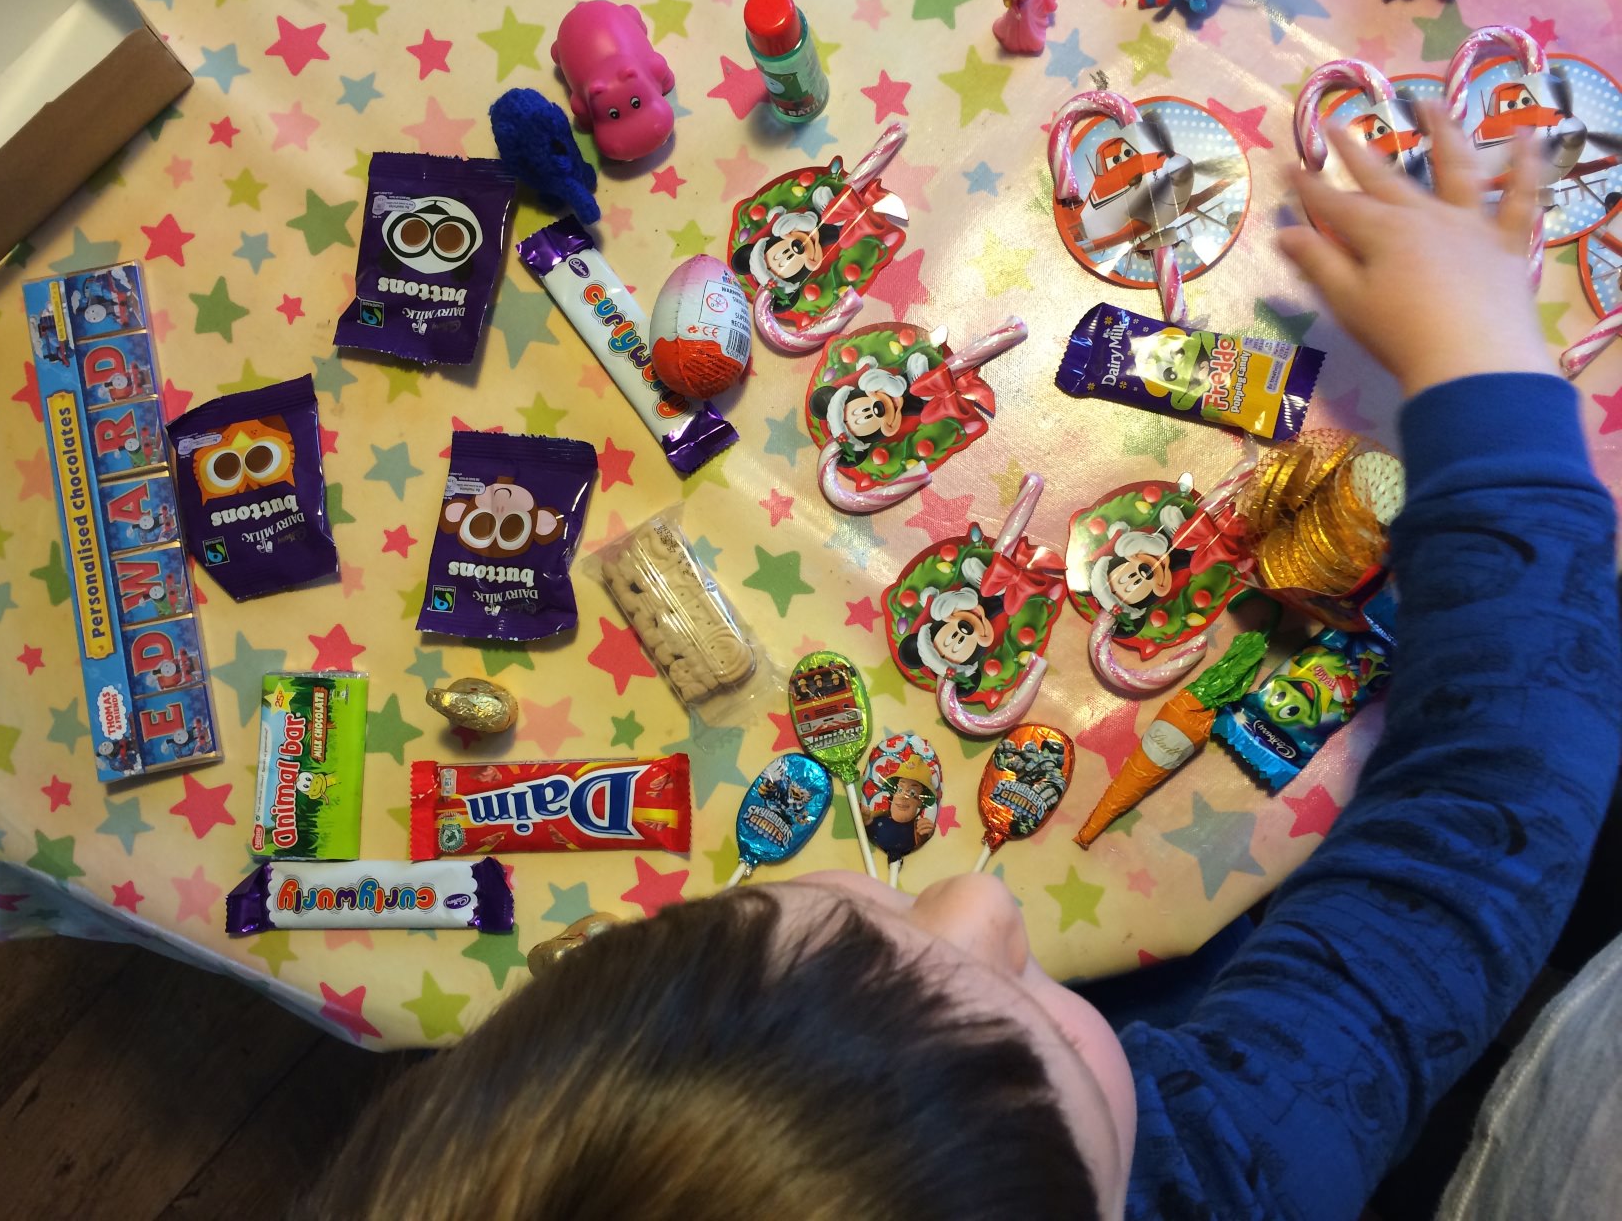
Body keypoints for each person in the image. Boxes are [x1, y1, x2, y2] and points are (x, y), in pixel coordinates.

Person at [311, 112, 1621, 1221]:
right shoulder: (1256, 1151)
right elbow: (1489, 818)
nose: (978, 903)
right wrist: (1485, 369)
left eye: (801, 917)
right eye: (1014, 1017)